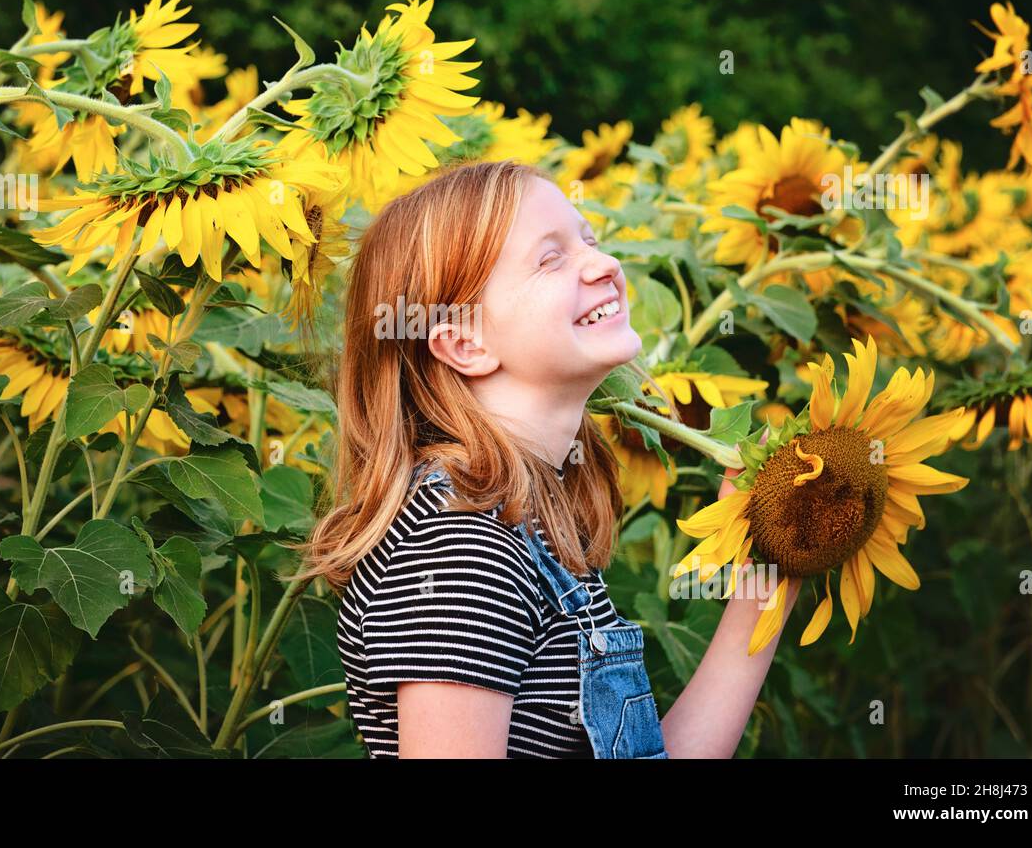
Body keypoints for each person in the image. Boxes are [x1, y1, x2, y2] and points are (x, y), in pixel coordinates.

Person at [284, 159, 801, 758]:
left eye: (590, 240)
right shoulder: (458, 550)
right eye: (550, 258)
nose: (605, 264)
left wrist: (767, 584)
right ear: (466, 343)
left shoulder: (526, 525)